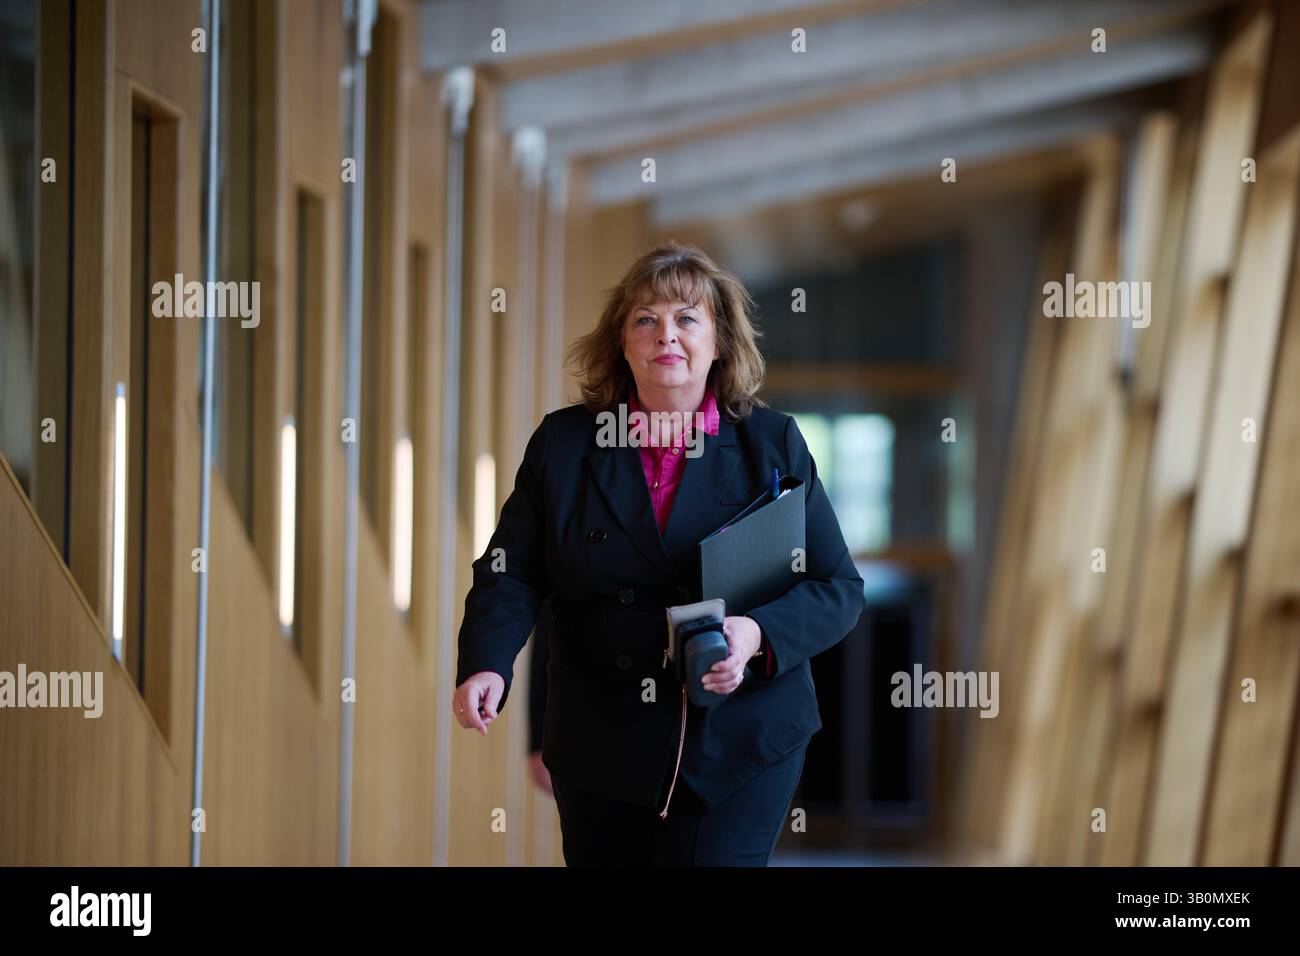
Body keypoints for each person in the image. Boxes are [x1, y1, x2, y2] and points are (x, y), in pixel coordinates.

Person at [453, 241, 864, 866]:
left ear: (719, 342)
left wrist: (757, 634)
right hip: (601, 738)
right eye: (645, 319)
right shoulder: (564, 446)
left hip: (742, 735)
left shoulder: (772, 443)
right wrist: (487, 661)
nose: (665, 335)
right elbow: (512, 570)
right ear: (621, 342)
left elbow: (837, 587)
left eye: (686, 319)